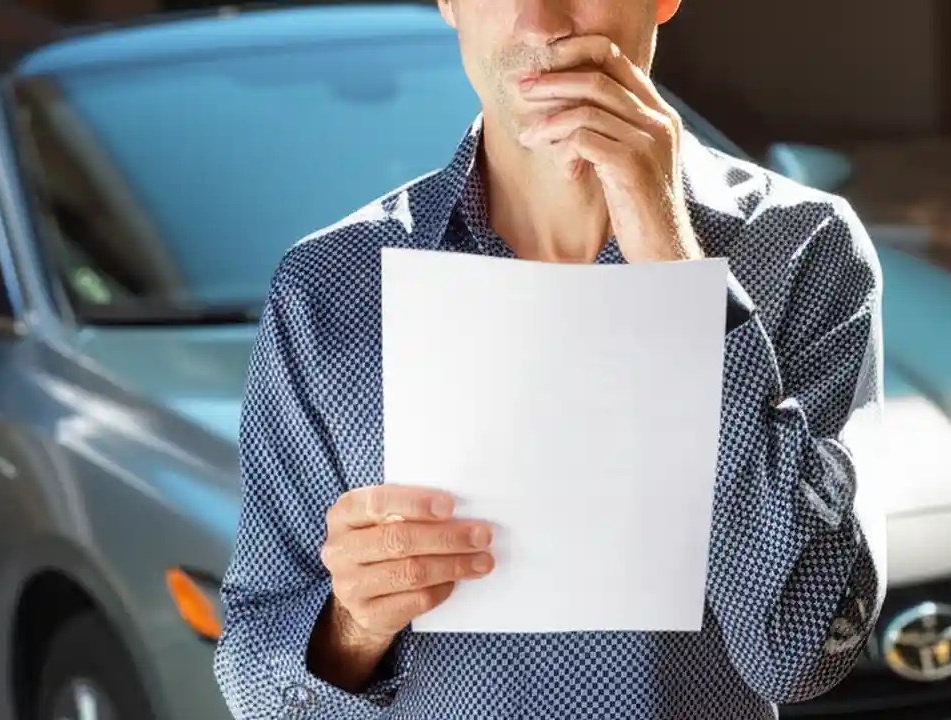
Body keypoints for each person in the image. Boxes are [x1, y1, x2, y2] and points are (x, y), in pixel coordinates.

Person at [213, 0, 888, 717]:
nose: (541, 23)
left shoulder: (803, 251)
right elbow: (256, 679)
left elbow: (808, 650)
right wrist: (353, 625)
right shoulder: (330, 289)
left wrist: (671, 261)